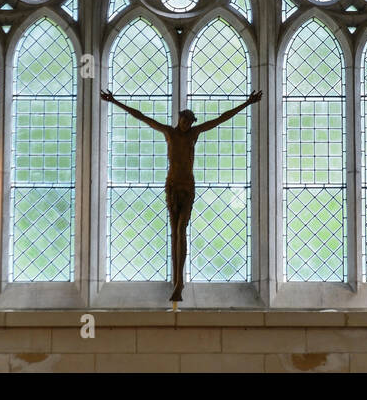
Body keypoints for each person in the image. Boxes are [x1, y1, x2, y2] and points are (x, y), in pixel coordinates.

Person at [100, 87, 262, 304]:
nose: (187, 125)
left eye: (190, 122)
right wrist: (114, 101)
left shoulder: (194, 134)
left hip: (187, 186)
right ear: (179, 120)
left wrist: (247, 103)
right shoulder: (169, 133)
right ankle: (178, 281)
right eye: (184, 121)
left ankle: (179, 283)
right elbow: (141, 116)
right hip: (173, 185)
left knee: (181, 231)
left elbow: (221, 119)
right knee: (174, 233)